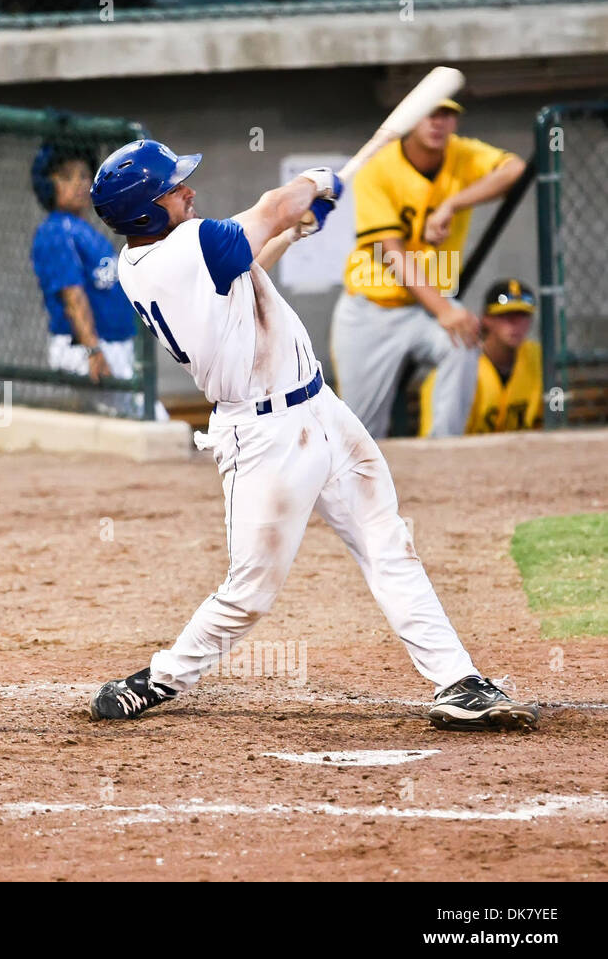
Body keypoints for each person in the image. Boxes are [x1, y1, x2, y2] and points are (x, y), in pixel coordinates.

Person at [84, 139, 537, 732]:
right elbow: (272, 204)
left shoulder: (159, 257)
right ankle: (161, 679)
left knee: (386, 539)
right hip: (264, 435)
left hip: (321, 407)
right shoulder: (178, 253)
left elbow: (244, 269)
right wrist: (316, 182)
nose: (188, 190)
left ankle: (456, 680)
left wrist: (295, 233)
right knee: (249, 592)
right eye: (173, 188)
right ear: (146, 212)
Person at [330, 99, 526, 438]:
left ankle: (444, 451)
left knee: (462, 342)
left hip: (427, 309)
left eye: (447, 114)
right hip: (371, 309)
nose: (438, 122)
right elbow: (389, 252)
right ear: (411, 119)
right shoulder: (379, 166)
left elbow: (514, 170)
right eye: (429, 113)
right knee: (359, 433)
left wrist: (454, 203)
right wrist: (444, 309)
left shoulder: (463, 155)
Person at [30, 141, 167, 420]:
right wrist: (92, 349)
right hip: (84, 347)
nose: (79, 184)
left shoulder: (82, 230)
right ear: (47, 185)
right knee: (151, 420)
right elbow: (72, 295)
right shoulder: (56, 231)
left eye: (84, 175)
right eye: (66, 177)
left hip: (112, 346)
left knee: (131, 420)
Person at [420, 279, 542, 435]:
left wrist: (556, 407)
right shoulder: (460, 366)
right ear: (486, 319)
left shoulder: (537, 357)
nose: (515, 323)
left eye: (522, 315)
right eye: (505, 315)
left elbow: (555, 404)